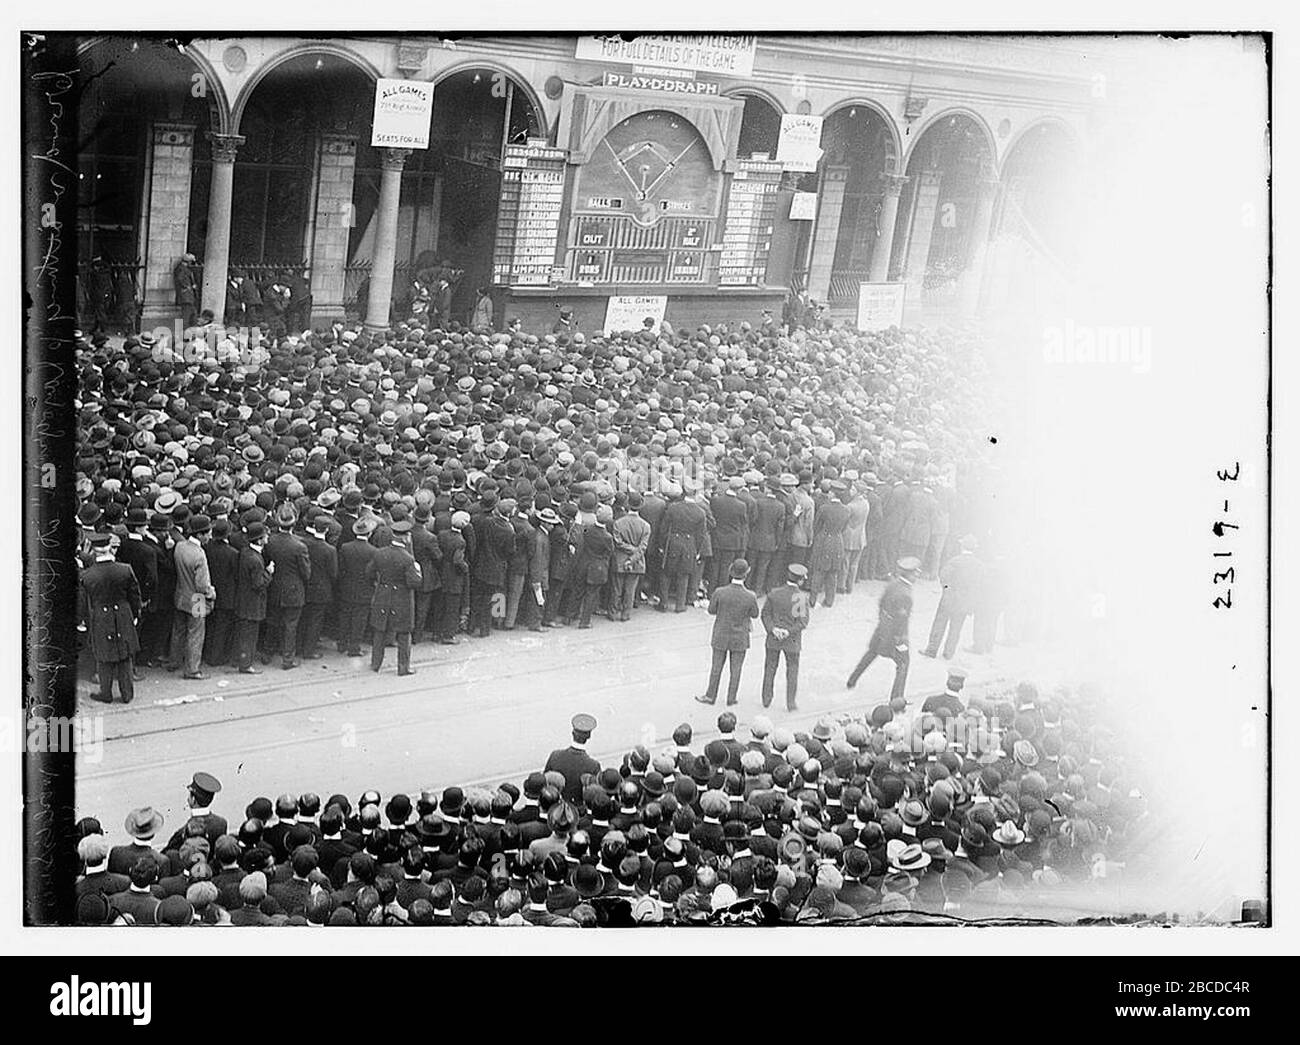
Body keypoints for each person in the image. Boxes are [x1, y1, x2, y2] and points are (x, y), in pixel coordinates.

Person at [78, 532, 142, 704]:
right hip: (123, 613)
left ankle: (105, 693)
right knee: (125, 655)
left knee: (103, 656)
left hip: (100, 616)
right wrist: (135, 615)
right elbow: (135, 596)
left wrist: (82, 621)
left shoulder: (87, 575)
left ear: (94, 551)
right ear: (109, 549)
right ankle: (127, 693)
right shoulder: (125, 569)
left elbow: (82, 603)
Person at [846, 556, 919, 705]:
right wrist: (900, 642)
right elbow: (901, 622)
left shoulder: (892, 584)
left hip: (882, 629)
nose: (917, 574)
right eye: (915, 572)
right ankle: (896, 700)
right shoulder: (906, 595)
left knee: (871, 653)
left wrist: (883, 623)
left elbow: (881, 604)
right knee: (903, 664)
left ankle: (852, 680)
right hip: (895, 636)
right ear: (909, 574)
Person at [696, 558, 760, 707]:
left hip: (721, 635)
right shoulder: (750, 596)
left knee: (716, 667)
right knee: (736, 669)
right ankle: (731, 698)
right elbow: (755, 614)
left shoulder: (720, 592)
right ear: (746, 575)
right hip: (740, 637)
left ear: (731, 572)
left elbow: (711, 610)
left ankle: (710, 696)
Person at [367, 518, 422, 675]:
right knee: (404, 633)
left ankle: (375, 664)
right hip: (402, 599)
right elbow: (415, 582)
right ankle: (403, 667)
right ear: (405, 537)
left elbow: (369, 573)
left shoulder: (379, 553)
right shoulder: (408, 558)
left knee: (379, 630)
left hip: (383, 594)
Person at [168, 514, 216, 680]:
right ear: (200, 534)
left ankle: (174, 661)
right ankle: (192, 669)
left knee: (178, 631)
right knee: (196, 634)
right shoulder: (199, 555)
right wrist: (212, 592)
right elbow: (202, 586)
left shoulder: (180, 546)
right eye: (208, 533)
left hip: (181, 594)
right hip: (197, 600)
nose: (210, 536)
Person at [264, 505, 311, 670]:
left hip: (274, 587)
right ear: (294, 522)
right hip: (293, 590)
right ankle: (287, 659)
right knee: (291, 625)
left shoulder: (270, 541)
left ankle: (267, 654)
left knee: (272, 621)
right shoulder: (300, 546)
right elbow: (306, 573)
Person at [922, 534, 985, 660]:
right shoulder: (979, 565)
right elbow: (978, 587)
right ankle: (949, 653)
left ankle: (932, 650)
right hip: (964, 603)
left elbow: (943, 577)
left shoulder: (955, 561)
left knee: (939, 625)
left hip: (948, 599)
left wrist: (947, 590)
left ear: (961, 546)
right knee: (956, 628)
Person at [760, 563, 811, 712]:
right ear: (800, 580)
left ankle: (766, 699)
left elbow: (765, 615)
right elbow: (803, 622)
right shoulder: (800, 597)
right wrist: (788, 631)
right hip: (792, 640)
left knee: (770, 668)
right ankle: (790, 703)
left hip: (773, 638)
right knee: (792, 670)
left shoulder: (774, 593)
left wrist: (773, 629)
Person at [657, 481, 707, 613]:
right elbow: (701, 535)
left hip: (673, 541)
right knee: (684, 574)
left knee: (666, 572)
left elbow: (664, 528)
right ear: (696, 494)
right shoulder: (700, 512)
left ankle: (663, 603)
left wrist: (662, 545)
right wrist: (697, 549)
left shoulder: (673, 507)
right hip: (690, 544)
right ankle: (680, 604)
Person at [233, 522, 274, 674]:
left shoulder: (245, 552)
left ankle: (241, 660)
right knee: (250, 636)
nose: (268, 537)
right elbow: (258, 584)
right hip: (253, 603)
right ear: (259, 540)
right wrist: (268, 572)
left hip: (244, 600)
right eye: (265, 536)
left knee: (244, 633)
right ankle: (246, 665)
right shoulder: (256, 560)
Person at [337, 515, 378, 656]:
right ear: (369, 533)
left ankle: (341, 643)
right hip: (364, 589)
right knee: (359, 619)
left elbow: (341, 568)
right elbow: (373, 573)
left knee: (344, 616)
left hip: (346, 587)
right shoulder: (373, 551)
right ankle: (354, 647)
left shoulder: (345, 547)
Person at [299, 514, 338, 659]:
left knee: (303, 618)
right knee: (315, 621)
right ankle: (309, 650)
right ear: (327, 530)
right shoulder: (330, 550)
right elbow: (333, 573)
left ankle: (299, 646)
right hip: (321, 590)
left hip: (306, 586)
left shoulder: (304, 543)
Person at [610, 494, 651, 622]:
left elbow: (617, 542)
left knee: (616, 588)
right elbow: (643, 548)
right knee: (630, 590)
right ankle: (625, 614)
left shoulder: (618, 523)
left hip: (620, 559)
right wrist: (634, 555)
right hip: (637, 561)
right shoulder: (646, 526)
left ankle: (612, 612)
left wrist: (629, 551)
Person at [544, 714, 601, 806]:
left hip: (554, 808)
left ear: (572, 733)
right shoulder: (593, 765)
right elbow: (595, 793)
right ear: (589, 736)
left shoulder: (555, 756)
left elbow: (544, 782)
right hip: (578, 812)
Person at [173, 252, 198, 330]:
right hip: (186, 297)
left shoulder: (184, 269)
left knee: (192, 314)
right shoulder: (181, 269)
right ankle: (183, 333)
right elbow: (180, 279)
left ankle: (188, 331)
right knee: (186, 316)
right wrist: (188, 286)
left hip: (188, 297)